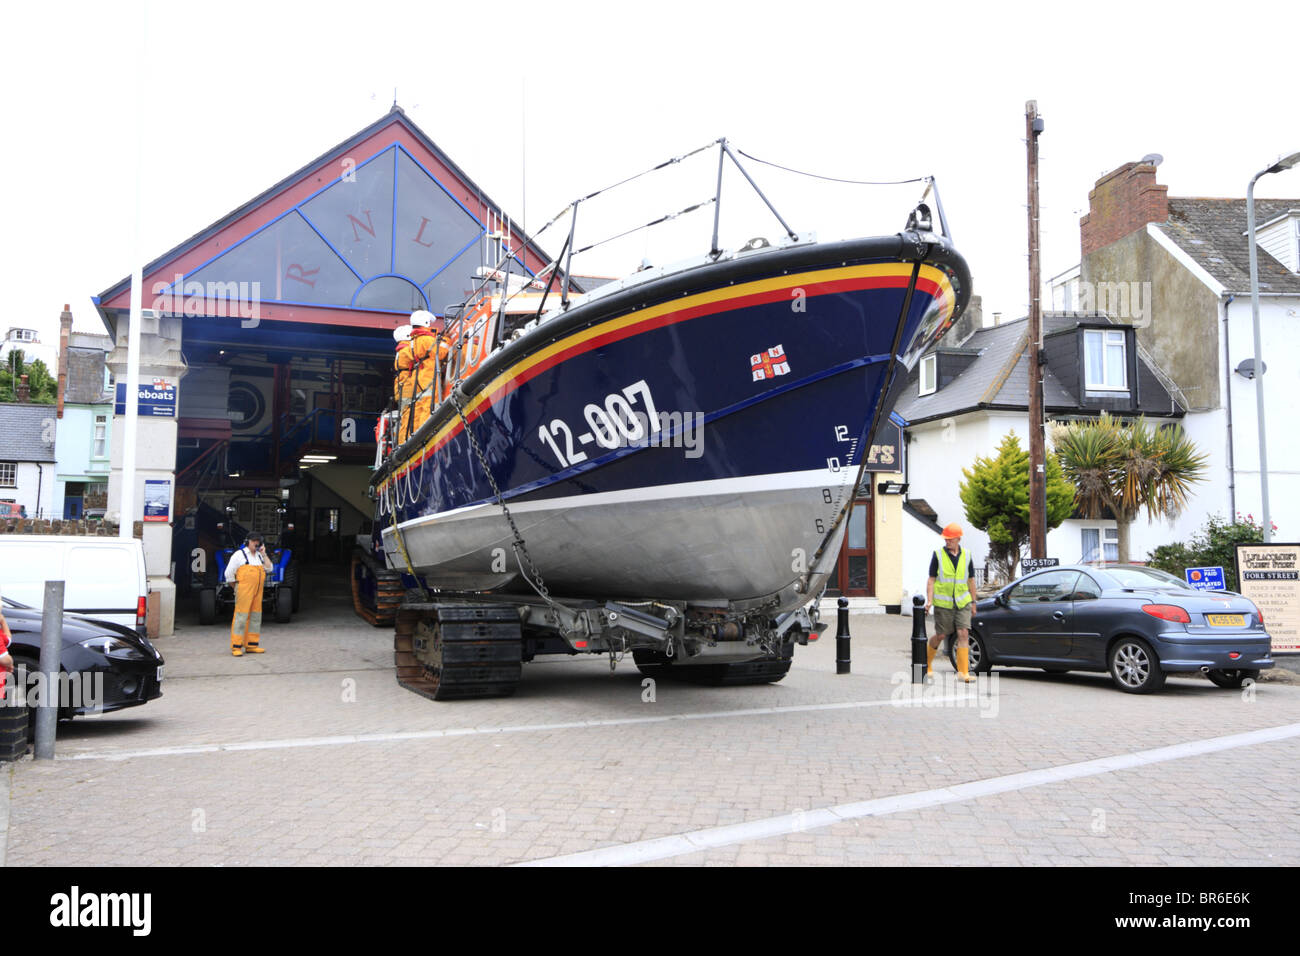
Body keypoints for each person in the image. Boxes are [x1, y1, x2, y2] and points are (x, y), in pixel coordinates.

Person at [924, 522, 981, 682]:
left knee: (964, 633)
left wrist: (974, 602)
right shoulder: (938, 555)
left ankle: (963, 672)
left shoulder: (967, 555)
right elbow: (931, 580)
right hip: (944, 603)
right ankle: (927, 664)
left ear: (958, 539)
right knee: (941, 635)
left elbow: (971, 580)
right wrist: (929, 600)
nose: (947, 541)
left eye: (950, 539)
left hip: (963, 602)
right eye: (946, 539)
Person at [225, 532, 273, 656]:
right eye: (254, 541)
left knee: (256, 618)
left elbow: (269, 568)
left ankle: (252, 645)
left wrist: (264, 553)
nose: (256, 543)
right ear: (248, 542)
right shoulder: (239, 555)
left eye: (258, 541)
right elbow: (229, 574)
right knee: (241, 617)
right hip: (244, 591)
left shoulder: (259, 556)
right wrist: (236, 588)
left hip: (258, 591)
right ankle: (236, 646)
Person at [392, 324, 415, 442]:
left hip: (403, 387)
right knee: (407, 417)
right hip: (407, 387)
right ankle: (403, 442)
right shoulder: (407, 350)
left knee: (406, 416)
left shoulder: (401, 350)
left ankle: (403, 441)